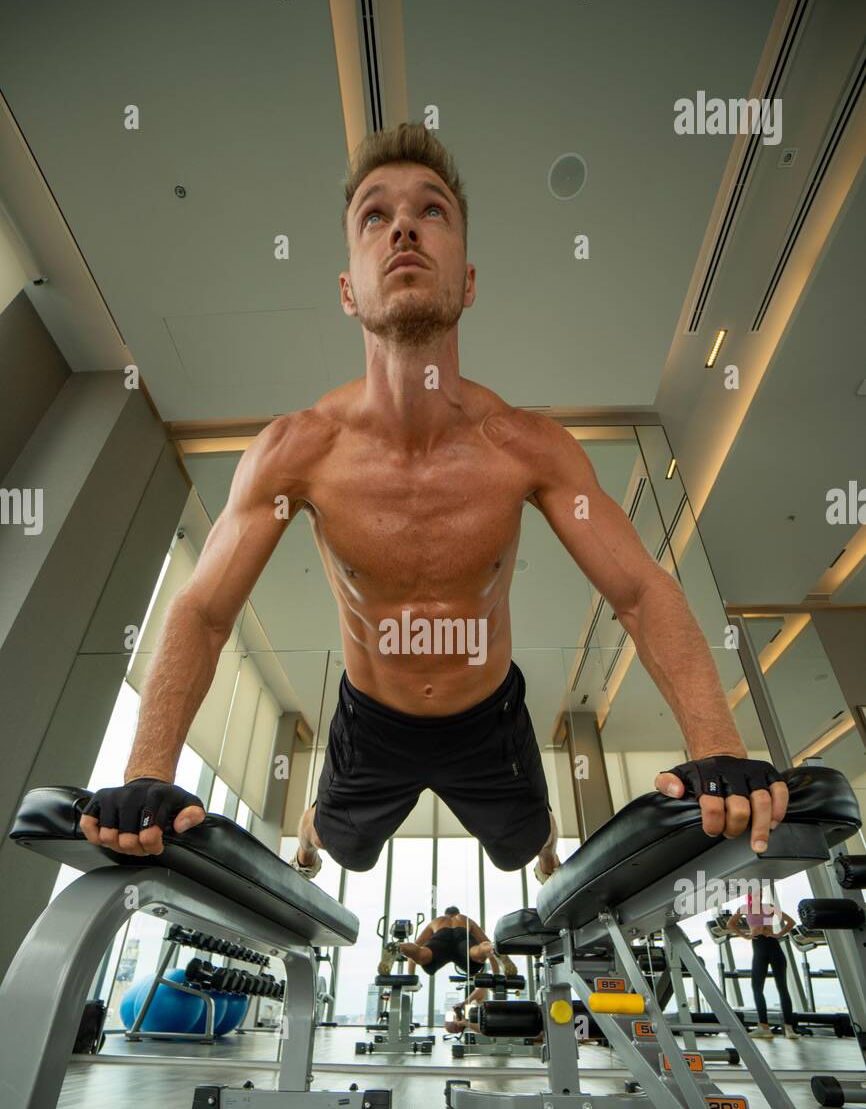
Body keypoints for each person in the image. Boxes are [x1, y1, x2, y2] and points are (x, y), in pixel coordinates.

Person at [78, 123, 789, 885]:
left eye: (433, 210)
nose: (405, 226)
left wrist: (719, 749)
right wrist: (148, 771)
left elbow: (643, 593)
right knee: (344, 851)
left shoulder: (527, 447)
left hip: (488, 723)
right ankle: (316, 823)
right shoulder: (296, 451)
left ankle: (542, 831)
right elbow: (204, 611)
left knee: (520, 850)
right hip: (369, 723)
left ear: (469, 281)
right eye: (375, 216)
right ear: (348, 289)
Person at [378, 904, 517, 1033]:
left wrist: (410, 976)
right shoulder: (465, 919)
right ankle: (492, 948)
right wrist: (496, 974)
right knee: (478, 951)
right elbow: (484, 939)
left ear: (446, 914)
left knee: (421, 953)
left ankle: (399, 947)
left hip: (441, 937)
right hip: (462, 937)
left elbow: (417, 945)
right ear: (458, 913)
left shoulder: (437, 921)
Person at [725, 890, 800, 1040]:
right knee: (759, 987)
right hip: (765, 946)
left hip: (767, 946)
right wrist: (745, 935)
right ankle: (766, 1027)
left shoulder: (767, 907)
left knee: (780, 987)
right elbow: (730, 924)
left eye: (759, 891)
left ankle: (787, 1029)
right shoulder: (747, 909)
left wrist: (778, 934)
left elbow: (791, 922)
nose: (758, 894)